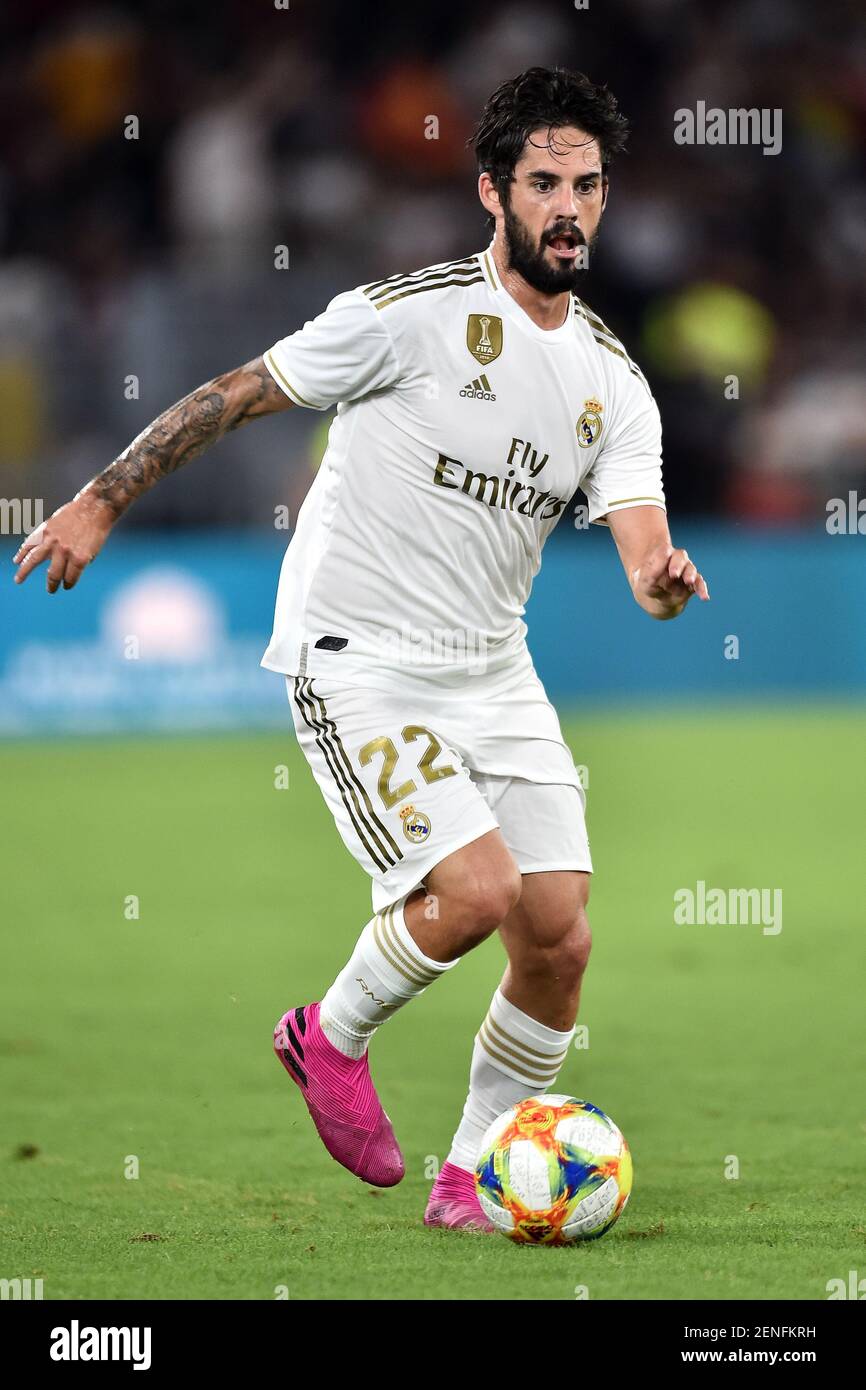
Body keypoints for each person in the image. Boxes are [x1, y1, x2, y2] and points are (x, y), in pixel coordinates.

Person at [13, 66, 708, 1232]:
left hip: (492, 668)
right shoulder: (408, 316)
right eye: (543, 182)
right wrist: (98, 498)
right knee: (477, 891)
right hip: (360, 656)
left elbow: (643, 545)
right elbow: (235, 393)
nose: (568, 207)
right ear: (493, 192)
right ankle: (326, 1036)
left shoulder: (612, 385)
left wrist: (661, 579)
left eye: (586, 185)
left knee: (558, 933)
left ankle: (468, 1174)